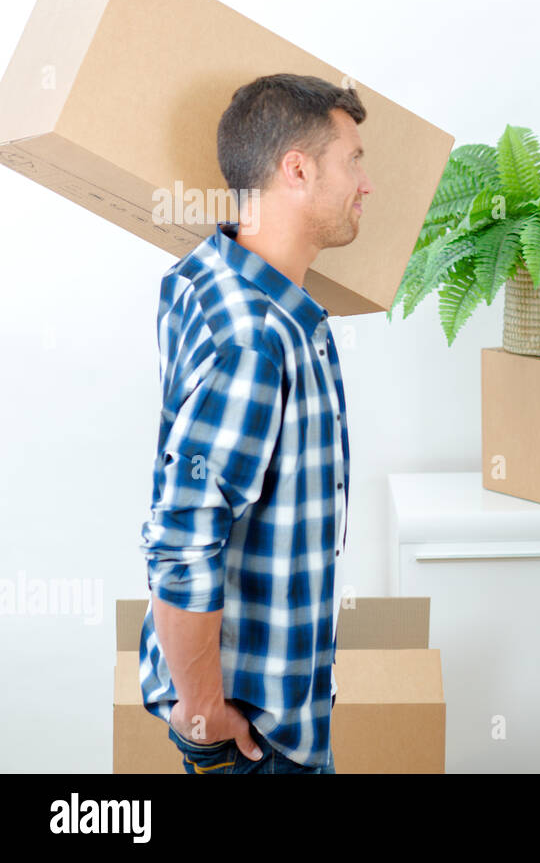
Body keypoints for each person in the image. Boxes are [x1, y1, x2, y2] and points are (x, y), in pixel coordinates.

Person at [137, 73, 371, 773]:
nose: (367, 183)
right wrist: (204, 709)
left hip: (269, 722)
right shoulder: (252, 338)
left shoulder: (210, 273)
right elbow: (182, 540)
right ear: (296, 169)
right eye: (353, 160)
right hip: (253, 743)